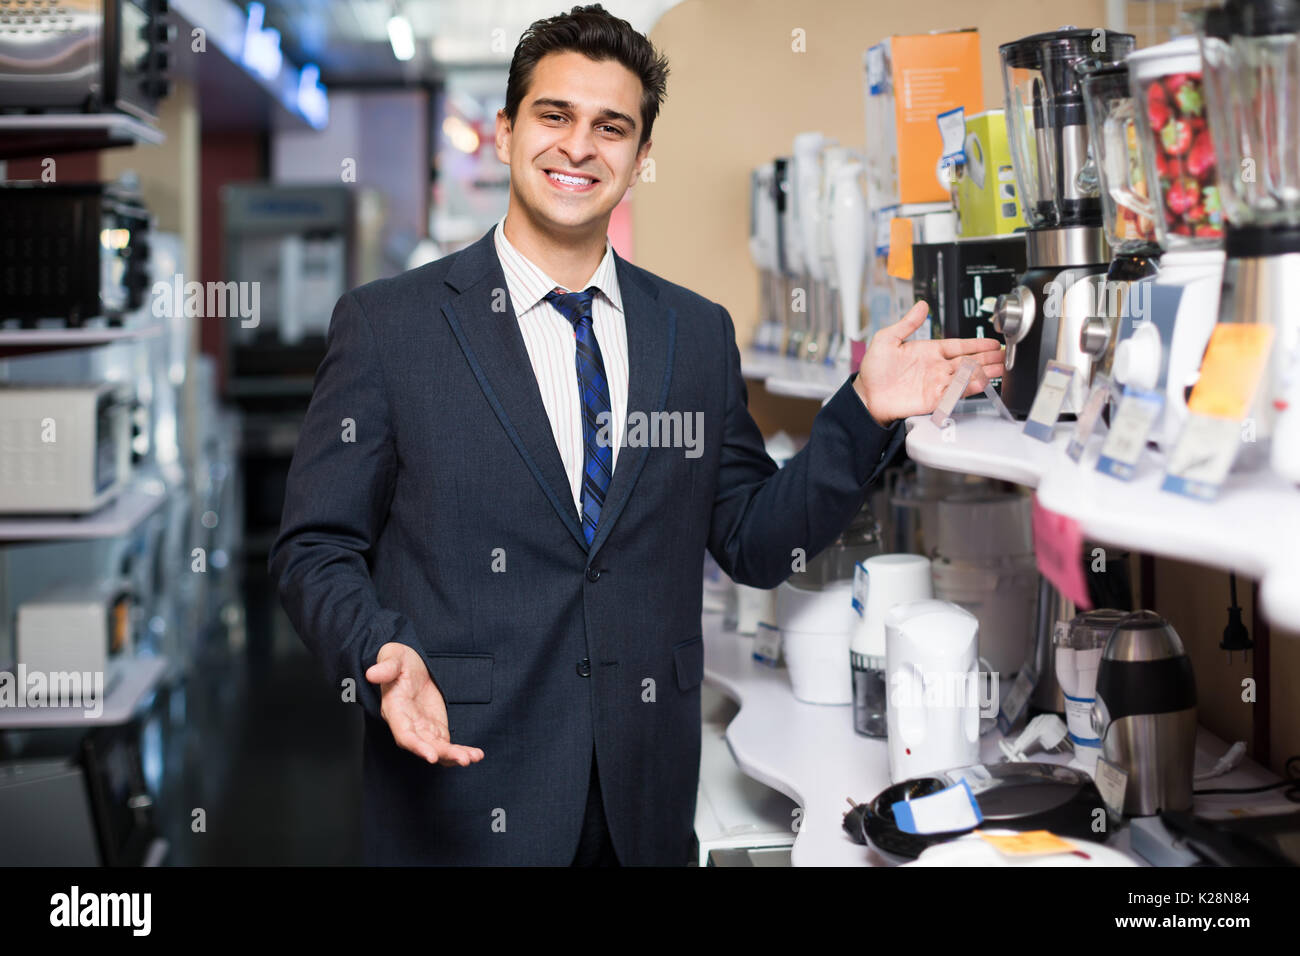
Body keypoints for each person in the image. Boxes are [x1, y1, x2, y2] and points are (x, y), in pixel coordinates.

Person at [269, 4, 1003, 866]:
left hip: (642, 803)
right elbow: (313, 548)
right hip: (463, 794)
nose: (580, 146)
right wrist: (380, 649)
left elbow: (753, 541)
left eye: (611, 126)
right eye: (554, 116)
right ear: (506, 133)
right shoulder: (392, 328)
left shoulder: (691, 336)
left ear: (640, 156)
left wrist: (865, 411)